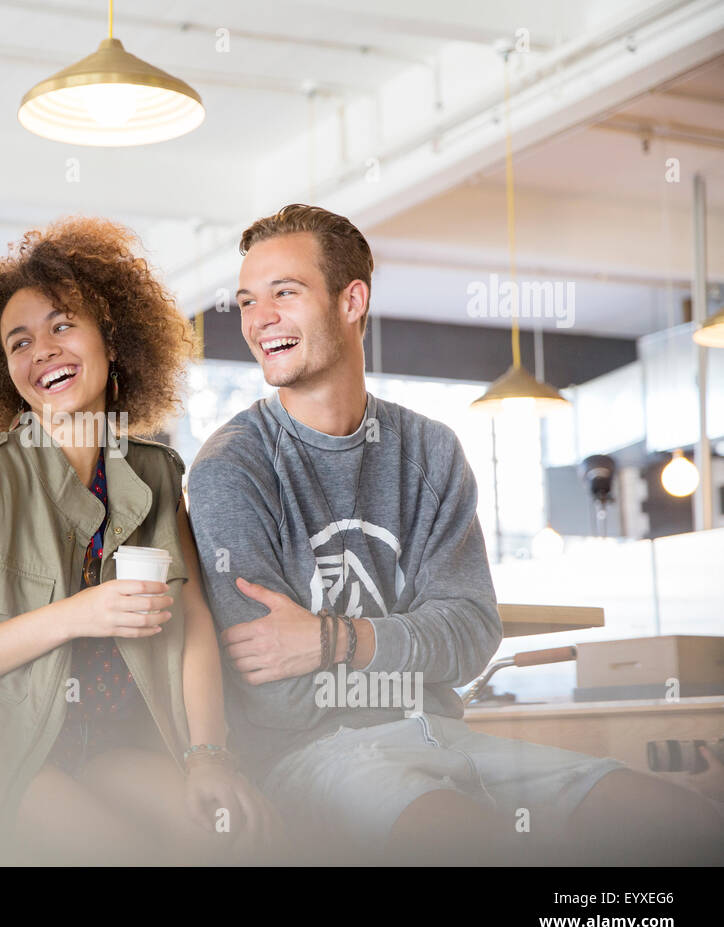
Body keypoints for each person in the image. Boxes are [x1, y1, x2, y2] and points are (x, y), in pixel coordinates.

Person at [186, 203, 724, 865]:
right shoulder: (231, 467)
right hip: (313, 757)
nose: (258, 319)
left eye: (284, 293)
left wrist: (334, 638)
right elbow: (275, 686)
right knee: (476, 844)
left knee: (684, 820)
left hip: (447, 735)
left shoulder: (428, 451)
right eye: (246, 301)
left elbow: (471, 634)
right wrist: (409, 646)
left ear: (351, 300)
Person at [0, 218, 282, 865]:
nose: (43, 352)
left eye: (63, 326)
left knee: (232, 835)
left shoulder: (155, 470)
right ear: (5, 370)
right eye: (20, 341)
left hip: (122, 742)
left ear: (110, 338)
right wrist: (76, 615)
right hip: (15, 754)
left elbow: (194, 622)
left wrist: (208, 759)